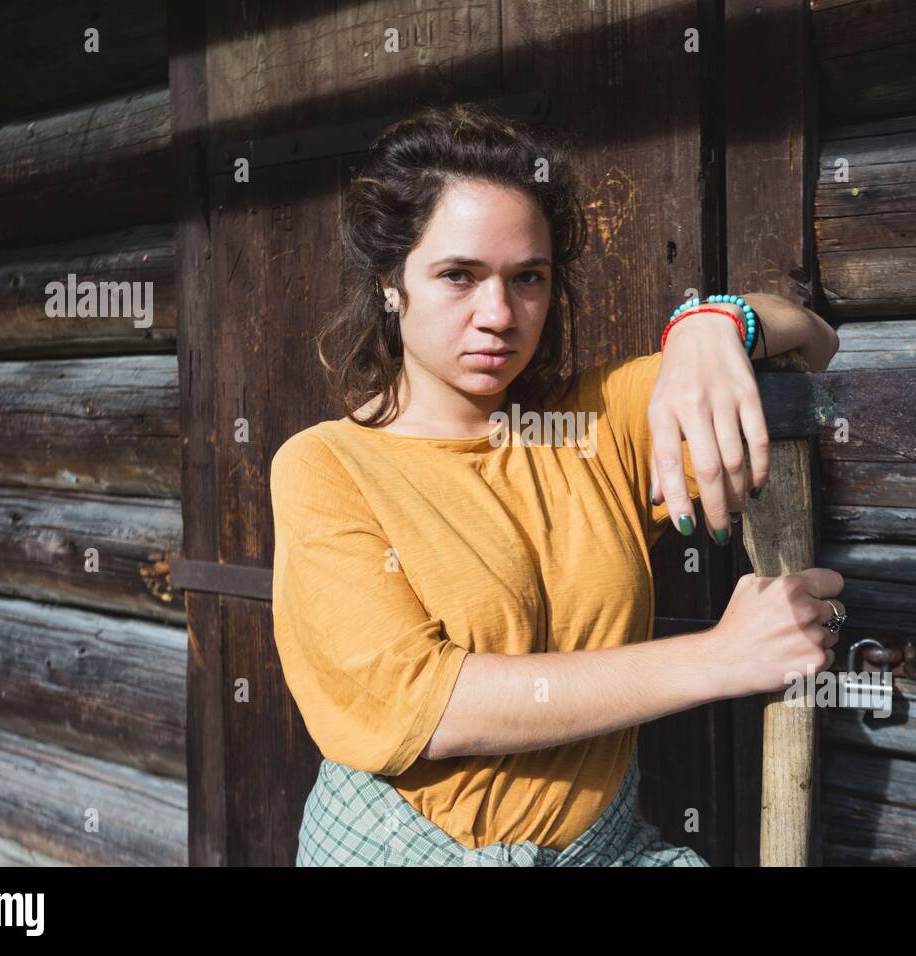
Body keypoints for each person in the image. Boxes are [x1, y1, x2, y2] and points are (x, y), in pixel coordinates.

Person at [270, 103, 845, 867]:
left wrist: (711, 322)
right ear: (390, 284)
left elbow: (815, 342)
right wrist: (722, 657)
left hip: (599, 852)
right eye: (458, 276)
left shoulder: (596, 426)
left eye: (527, 278)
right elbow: (427, 706)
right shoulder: (329, 467)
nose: (499, 315)